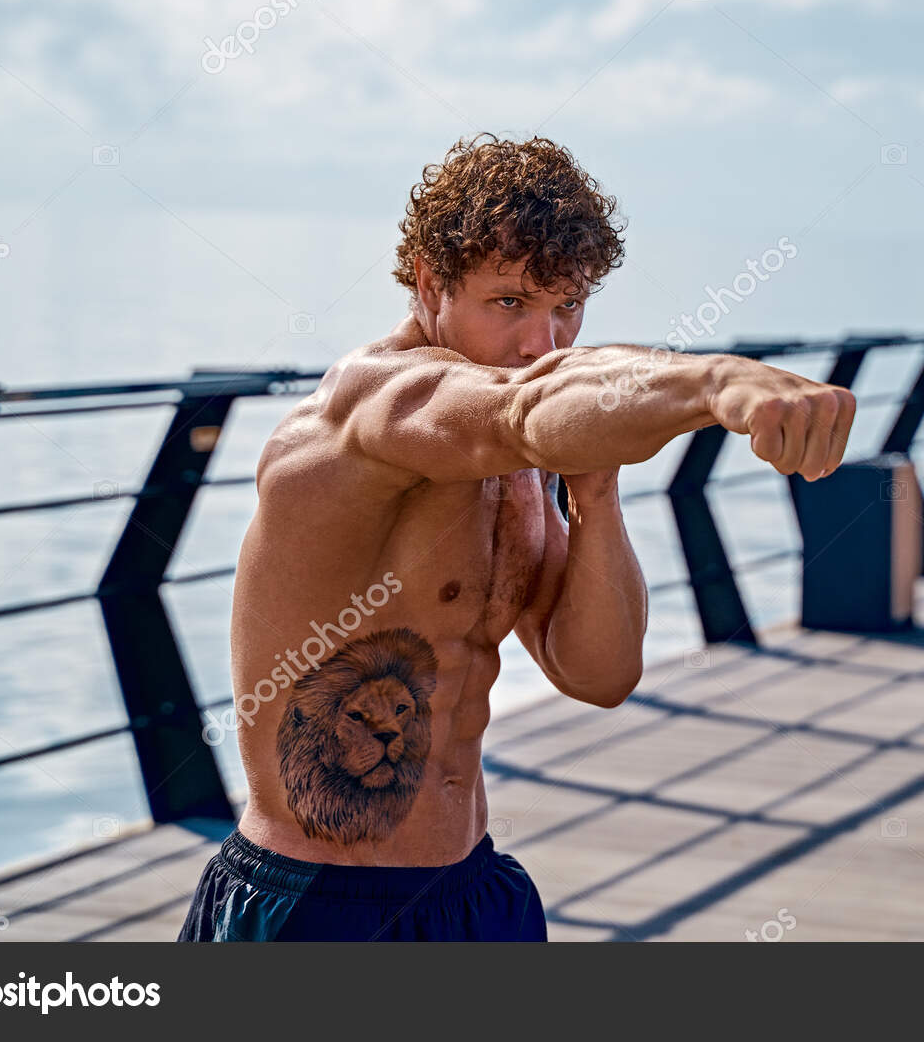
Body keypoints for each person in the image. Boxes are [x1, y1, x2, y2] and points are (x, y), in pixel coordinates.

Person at [178, 133, 855, 941]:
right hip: (319, 905)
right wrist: (717, 381)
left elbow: (600, 672)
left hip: (472, 891)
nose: (544, 344)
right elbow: (528, 404)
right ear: (430, 284)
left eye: (566, 306)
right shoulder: (368, 410)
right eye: (509, 303)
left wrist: (596, 494)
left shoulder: (514, 466)